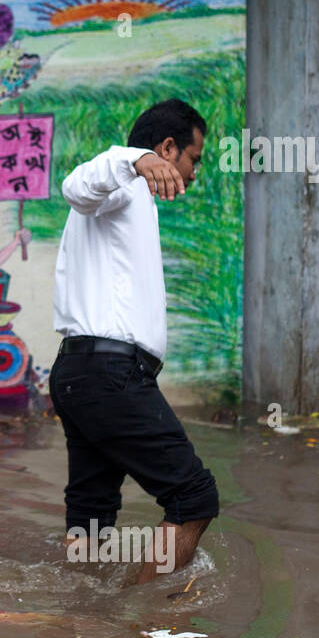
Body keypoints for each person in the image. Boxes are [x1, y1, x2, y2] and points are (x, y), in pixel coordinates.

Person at [49, 98, 217, 585]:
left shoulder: (131, 202)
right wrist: (136, 161)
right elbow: (75, 185)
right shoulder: (122, 184)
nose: (194, 171)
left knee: (92, 515)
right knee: (195, 498)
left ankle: (77, 610)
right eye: (193, 158)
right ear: (168, 148)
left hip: (82, 375)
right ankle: (128, 621)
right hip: (108, 375)